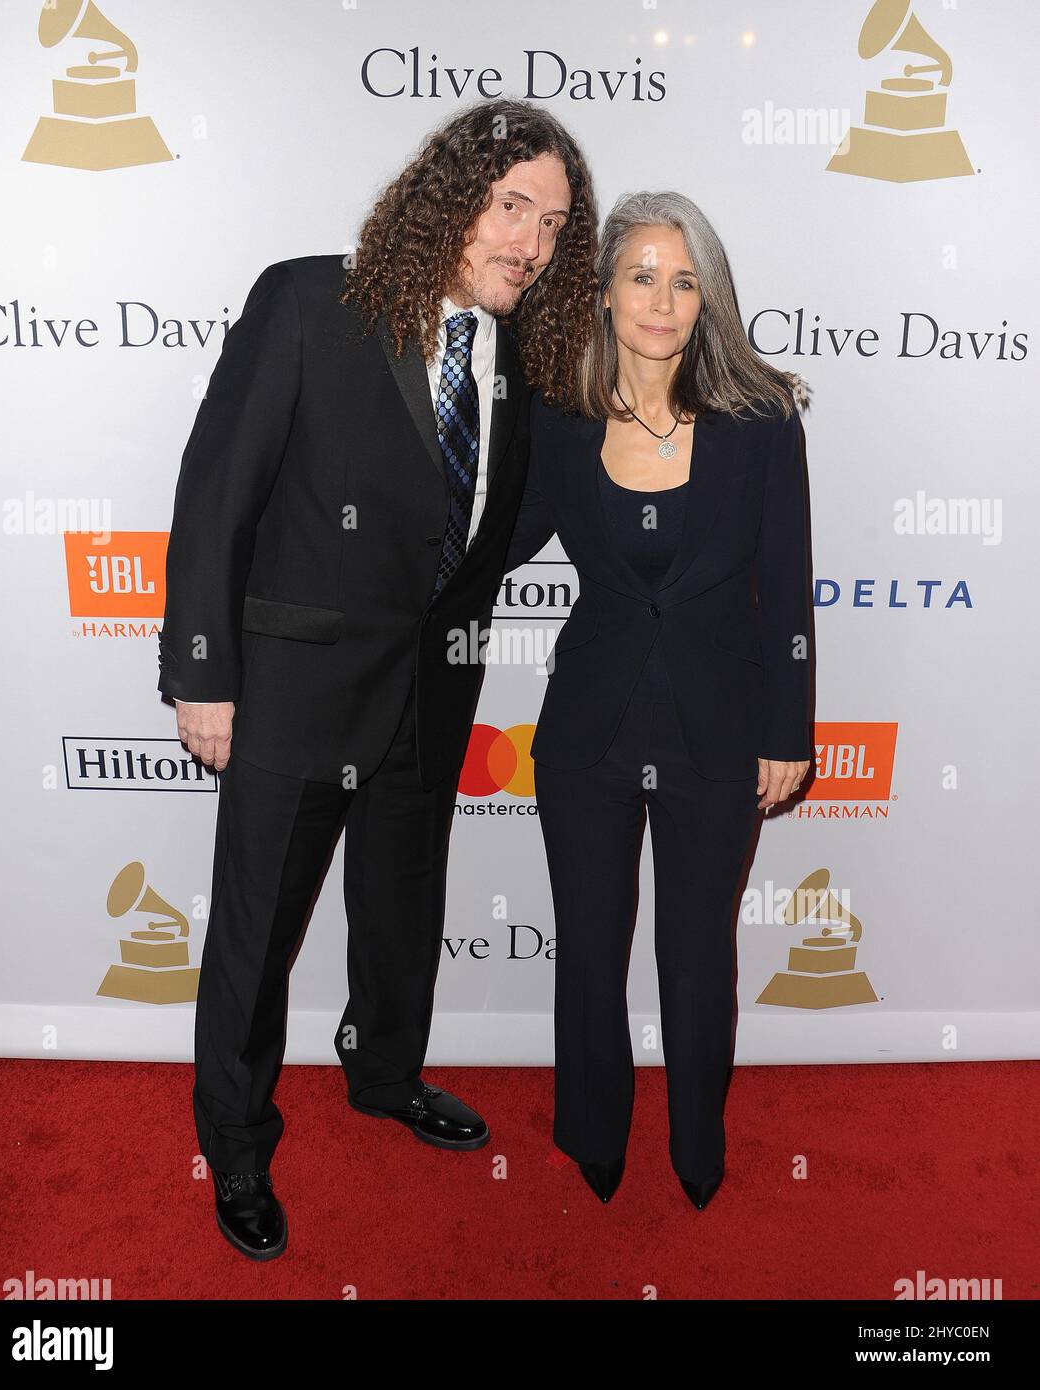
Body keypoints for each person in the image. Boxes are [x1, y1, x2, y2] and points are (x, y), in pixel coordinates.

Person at [157, 98, 599, 1259]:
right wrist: (204, 674)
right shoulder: (311, 302)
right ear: (448, 195)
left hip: (431, 687)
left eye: (553, 225)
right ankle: (238, 1143)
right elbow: (217, 496)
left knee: (403, 908)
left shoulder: (526, 361)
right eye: (511, 207)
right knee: (258, 932)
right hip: (293, 688)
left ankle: (386, 1072)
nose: (530, 244)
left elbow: (492, 530)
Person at [502, 190, 813, 1211]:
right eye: (641, 274)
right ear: (601, 293)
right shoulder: (558, 416)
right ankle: (593, 1133)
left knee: (695, 949)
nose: (662, 299)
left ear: (707, 299)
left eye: (684, 280)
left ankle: (695, 1142)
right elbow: (488, 546)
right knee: (588, 948)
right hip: (588, 727)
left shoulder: (759, 422)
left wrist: (786, 730)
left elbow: (787, 588)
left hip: (719, 731)